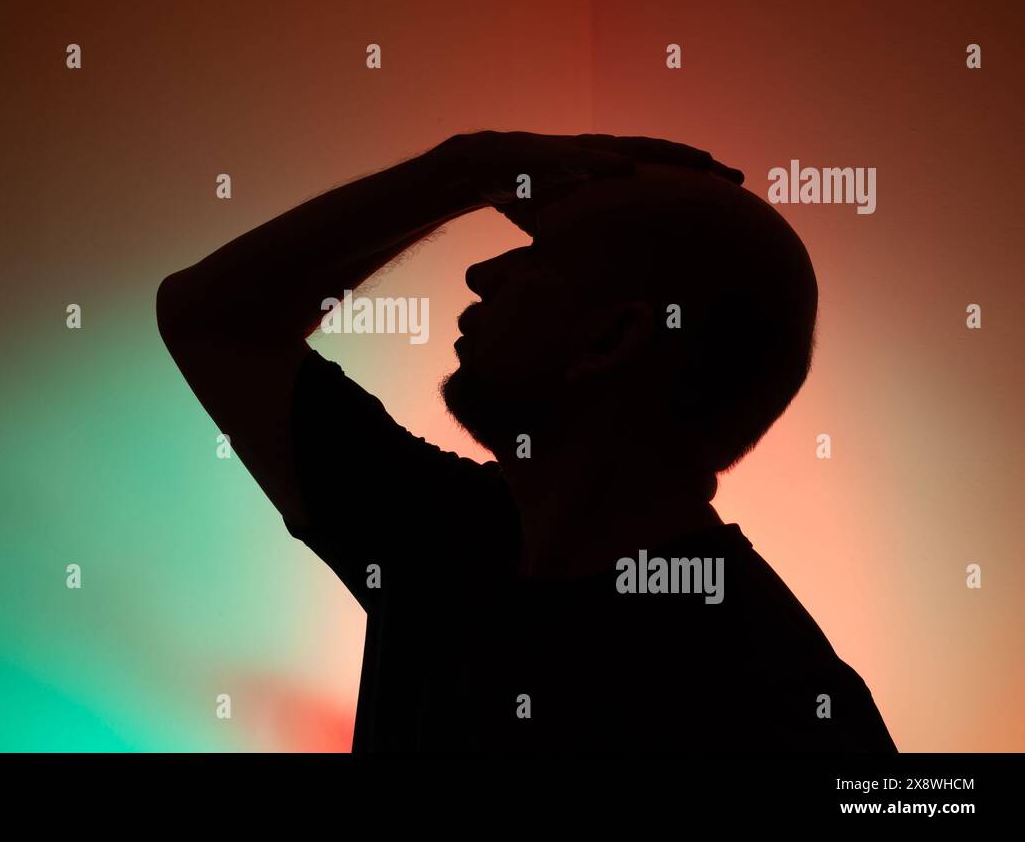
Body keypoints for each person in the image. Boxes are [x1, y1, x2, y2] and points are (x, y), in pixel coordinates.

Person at [156, 131, 897, 752]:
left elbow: (217, 322)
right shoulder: (446, 537)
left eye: (539, 253)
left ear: (609, 338)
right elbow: (209, 316)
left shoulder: (780, 699)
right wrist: (466, 166)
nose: (482, 271)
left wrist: (467, 170)